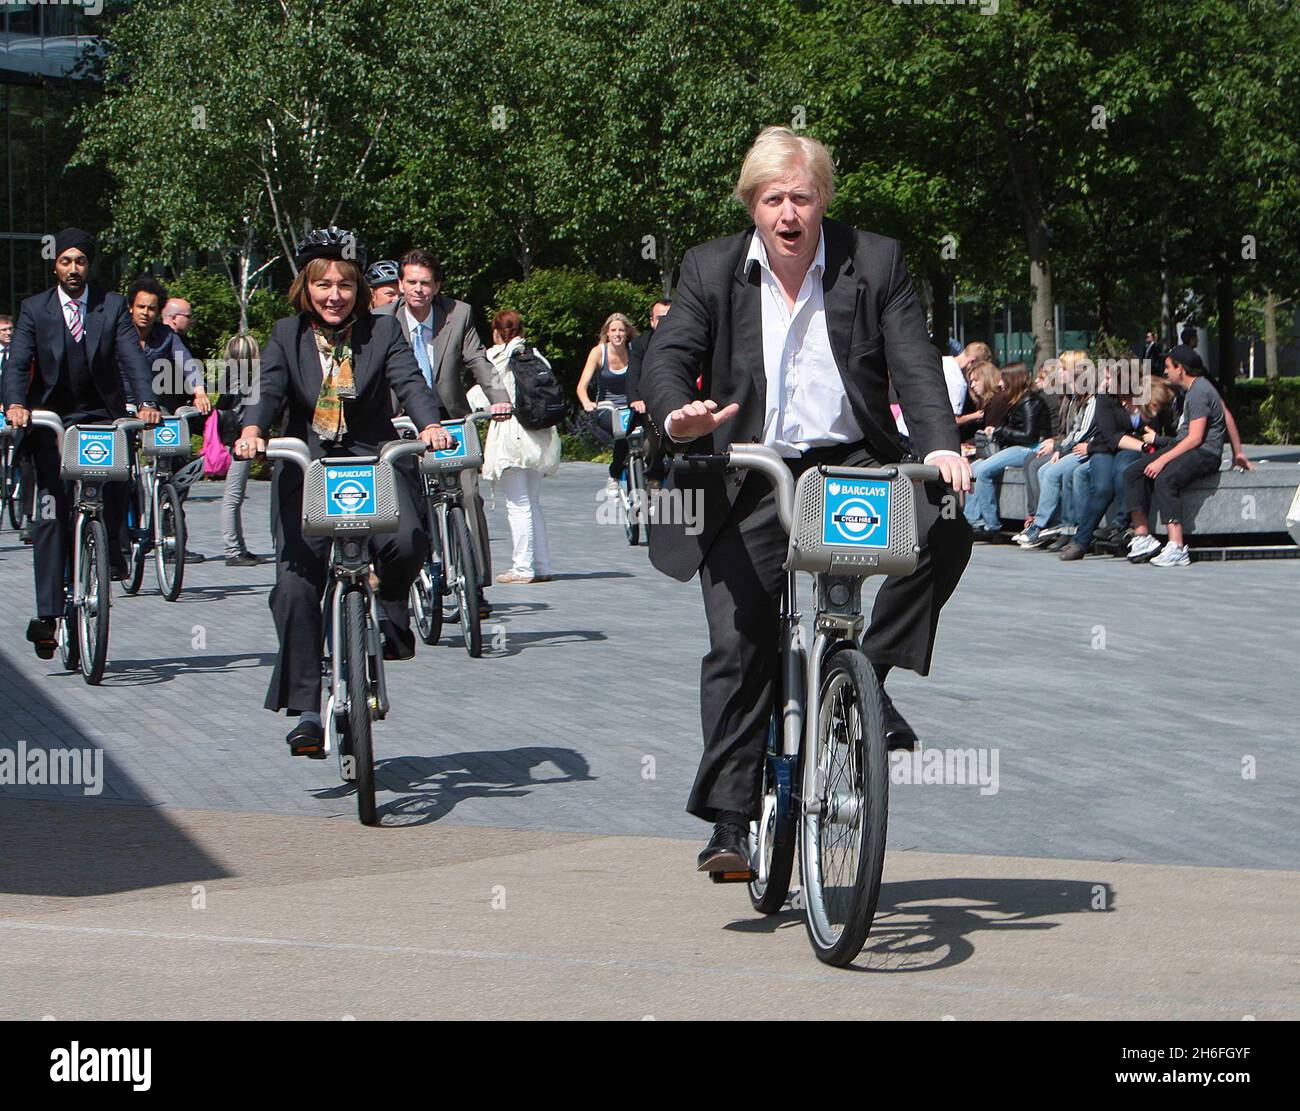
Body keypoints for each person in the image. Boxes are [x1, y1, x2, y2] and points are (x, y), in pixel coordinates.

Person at [641, 126, 973, 873]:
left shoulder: (875, 259)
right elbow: (668, 357)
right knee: (741, 639)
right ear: (751, 205)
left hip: (849, 456)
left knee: (946, 522)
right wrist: (677, 415)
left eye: (802, 196)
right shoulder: (709, 267)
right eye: (772, 198)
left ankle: (869, 678)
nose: (788, 212)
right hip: (746, 467)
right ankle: (731, 821)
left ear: (822, 200)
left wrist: (941, 442)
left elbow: (914, 358)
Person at [233, 227, 450, 757]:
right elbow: (268, 390)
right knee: (294, 588)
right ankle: (309, 709)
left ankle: (393, 607)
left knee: (408, 540)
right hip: (307, 466)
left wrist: (430, 427)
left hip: (369, 461)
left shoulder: (383, 332)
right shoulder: (286, 335)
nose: (335, 295)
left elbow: (412, 382)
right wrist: (252, 430)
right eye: (323, 284)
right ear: (306, 287)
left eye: (346, 284)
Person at [1, 228, 161, 658]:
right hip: (50, 424)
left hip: (98, 419)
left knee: (113, 486)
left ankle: (110, 548)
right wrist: (16, 404)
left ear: (89, 266)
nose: (74, 269)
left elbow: (131, 357)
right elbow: (17, 362)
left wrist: (145, 402)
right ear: (55, 266)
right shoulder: (35, 309)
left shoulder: (111, 308)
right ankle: (49, 614)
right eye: (66, 261)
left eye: (81, 262)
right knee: (51, 513)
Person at [375, 248, 510, 618]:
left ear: (437, 286)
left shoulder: (458, 314)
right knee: (404, 509)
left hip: (449, 420)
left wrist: (499, 398)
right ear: (400, 285)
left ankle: (476, 583)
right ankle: (406, 581)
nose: (418, 290)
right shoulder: (381, 320)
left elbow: (478, 360)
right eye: (411, 282)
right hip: (400, 424)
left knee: (469, 496)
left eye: (426, 283)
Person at [1122, 345, 1227, 567]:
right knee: (1133, 472)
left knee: (1166, 479)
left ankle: (1177, 546)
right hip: (1189, 448)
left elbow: (1195, 438)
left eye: (1168, 367)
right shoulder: (1194, 390)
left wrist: (1162, 459)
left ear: (1180, 368)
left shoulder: (1199, 392)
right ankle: (1143, 537)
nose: (1166, 371)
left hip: (1204, 453)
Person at [1057, 379, 1176, 561]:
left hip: (1131, 448)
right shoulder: (1105, 398)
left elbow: (1162, 434)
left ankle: (1120, 525)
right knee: (1101, 487)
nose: (1107, 382)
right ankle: (1081, 541)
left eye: (1112, 378)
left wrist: (1150, 440)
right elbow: (1109, 436)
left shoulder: (1147, 397)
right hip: (1105, 447)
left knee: (1123, 469)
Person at [482, 310, 560, 583]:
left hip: (511, 436)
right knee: (533, 502)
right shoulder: (535, 355)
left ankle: (523, 568)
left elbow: (483, 396)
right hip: (539, 435)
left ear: (495, 331)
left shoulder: (496, 358)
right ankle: (542, 565)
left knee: (518, 504)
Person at [963, 363, 1051, 538]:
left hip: (1029, 449)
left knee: (983, 471)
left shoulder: (1029, 401)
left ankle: (991, 525)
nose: (1000, 383)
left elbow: (1029, 435)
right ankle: (972, 519)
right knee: (972, 469)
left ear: (1013, 380)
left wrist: (999, 431)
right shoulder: (1017, 400)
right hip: (1016, 447)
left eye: (1003, 379)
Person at [217, 333, 267, 566]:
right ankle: (233, 549)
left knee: (234, 497)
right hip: (239, 442)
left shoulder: (228, 377)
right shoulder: (245, 382)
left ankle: (238, 547)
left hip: (232, 440)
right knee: (233, 497)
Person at [577, 312, 639, 495]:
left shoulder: (634, 351)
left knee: (647, 433)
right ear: (607, 333)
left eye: (621, 330)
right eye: (613, 330)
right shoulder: (598, 352)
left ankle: (650, 477)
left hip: (631, 406)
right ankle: (614, 474)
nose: (618, 334)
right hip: (607, 408)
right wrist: (587, 403)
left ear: (627, 332)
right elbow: (582, 386)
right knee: (622, 432)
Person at [626, 300, 671, 480]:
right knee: (653, 435)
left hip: (680, 400)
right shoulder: (641, 344)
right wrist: (635, 399)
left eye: (670, 317)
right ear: (652, 321)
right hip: (650, 403)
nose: (665, 322)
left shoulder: (689, 340)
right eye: (660, 318)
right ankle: (654, 476)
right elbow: (633, 374)